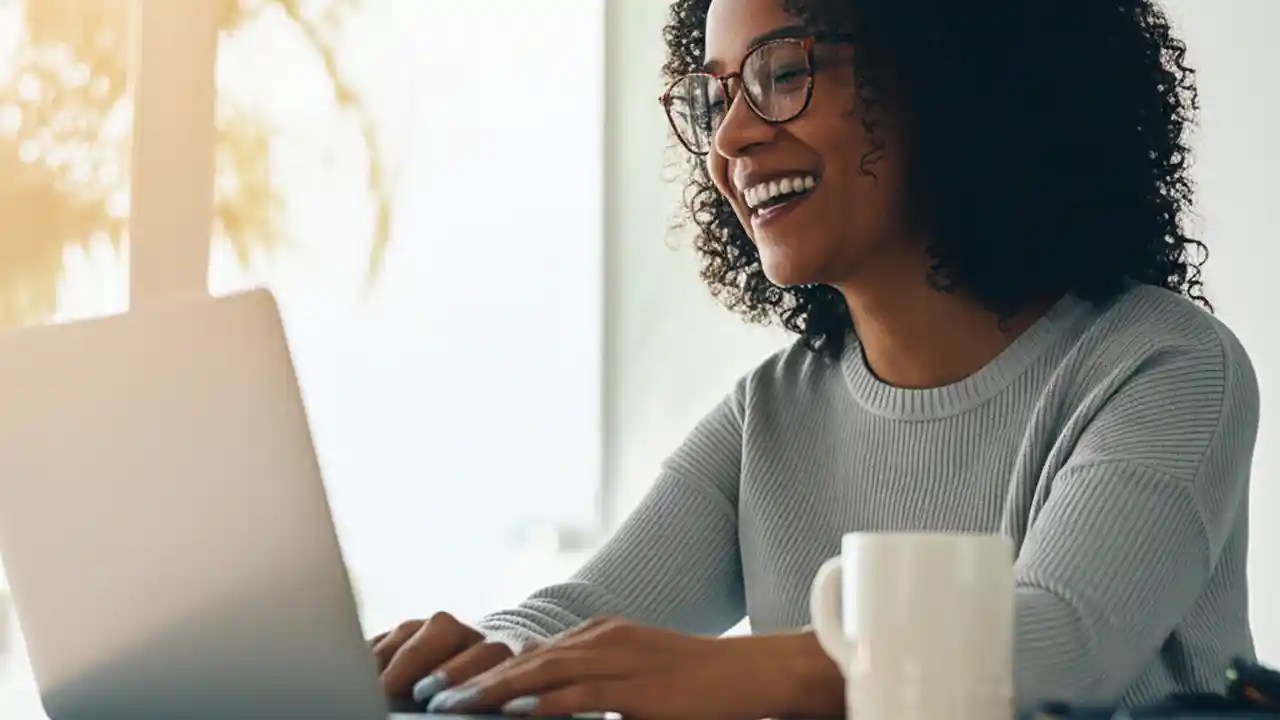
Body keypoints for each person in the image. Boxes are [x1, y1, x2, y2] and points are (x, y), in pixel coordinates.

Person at [372, 0, 1260, 716]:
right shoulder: (771, 415)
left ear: (949, 74)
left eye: (783, 74)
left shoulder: (1162, 366)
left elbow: (1063, 644)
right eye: (716, 99)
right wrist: (464, 660)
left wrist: (730, 675)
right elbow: (578, 617)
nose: (730, 144)